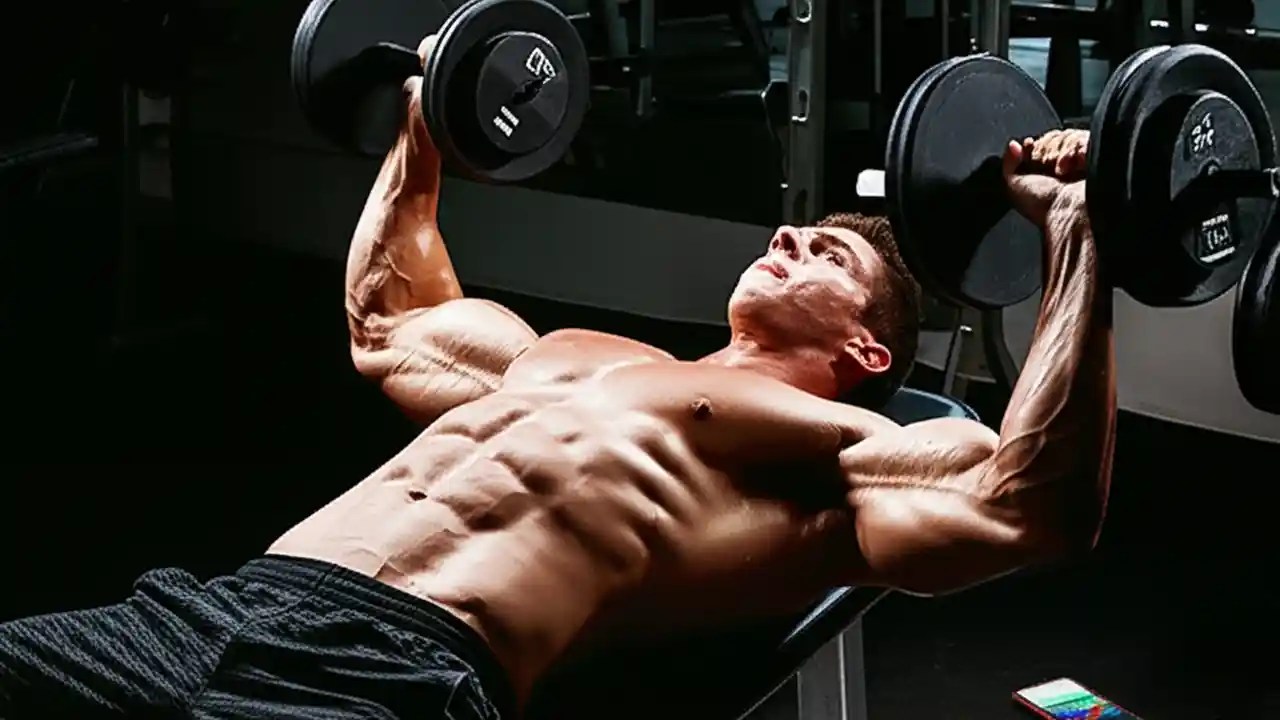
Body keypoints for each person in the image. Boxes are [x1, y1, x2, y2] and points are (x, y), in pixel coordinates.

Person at [0, 40, 1114, 720]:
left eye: (830, 253)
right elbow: (392, 321)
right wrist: (425, 123)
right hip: (208, 608)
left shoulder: (833, 463)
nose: (788, 232)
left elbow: (1030, 502)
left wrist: (1079, 235)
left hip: (384, 678)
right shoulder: (569, 357)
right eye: (797, 227)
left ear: (868, 352)